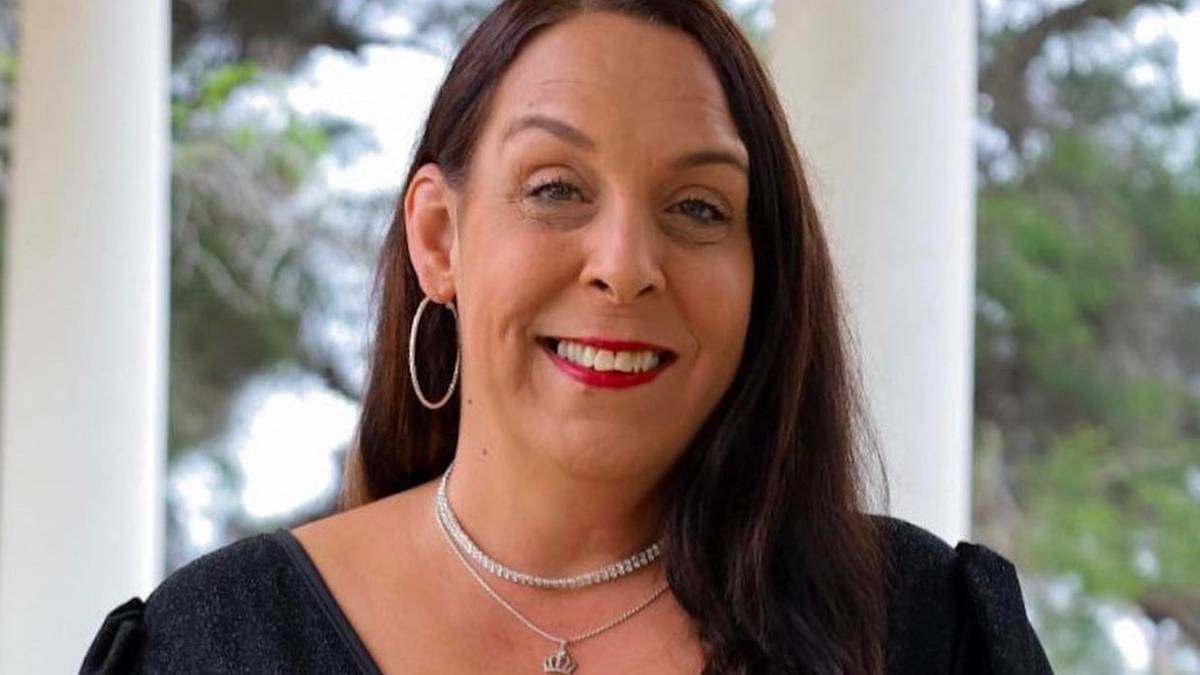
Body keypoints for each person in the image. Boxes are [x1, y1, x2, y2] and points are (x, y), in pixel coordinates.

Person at [81, 1, 1054, 673]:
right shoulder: (208, 644)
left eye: (698, 206)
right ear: (439, 238)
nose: (625, 265)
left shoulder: (922, 629)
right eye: (555, 189)